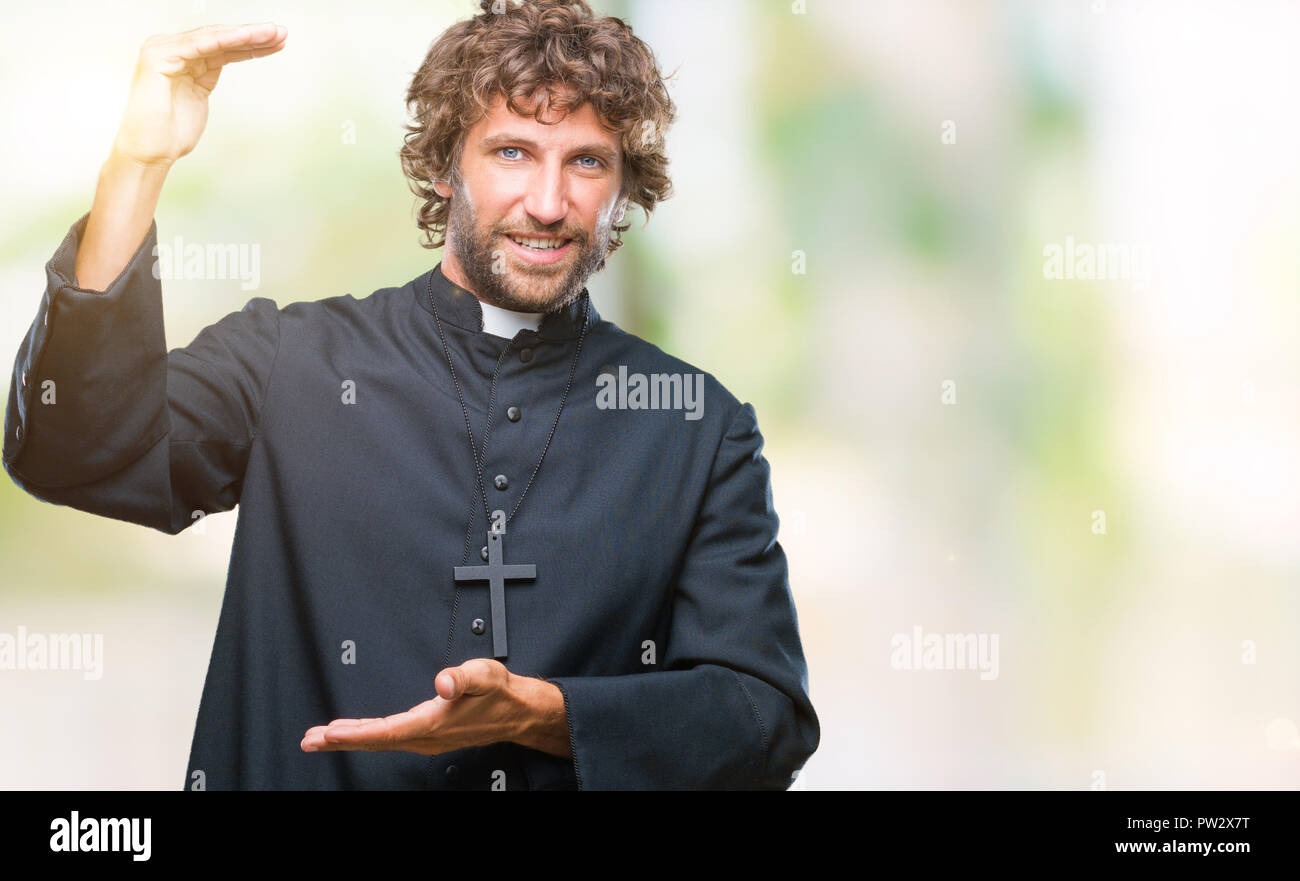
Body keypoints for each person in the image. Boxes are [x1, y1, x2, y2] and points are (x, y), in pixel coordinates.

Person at [3, 0, 819, 790]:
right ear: (442, 165)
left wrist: (546, 712)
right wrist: (137, 165)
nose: (547, 201)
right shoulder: (290, 359)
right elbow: (74, 451)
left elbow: (763, 718)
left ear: (623, 186)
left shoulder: (696, 426)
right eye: (511, 152)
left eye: (586, 161)